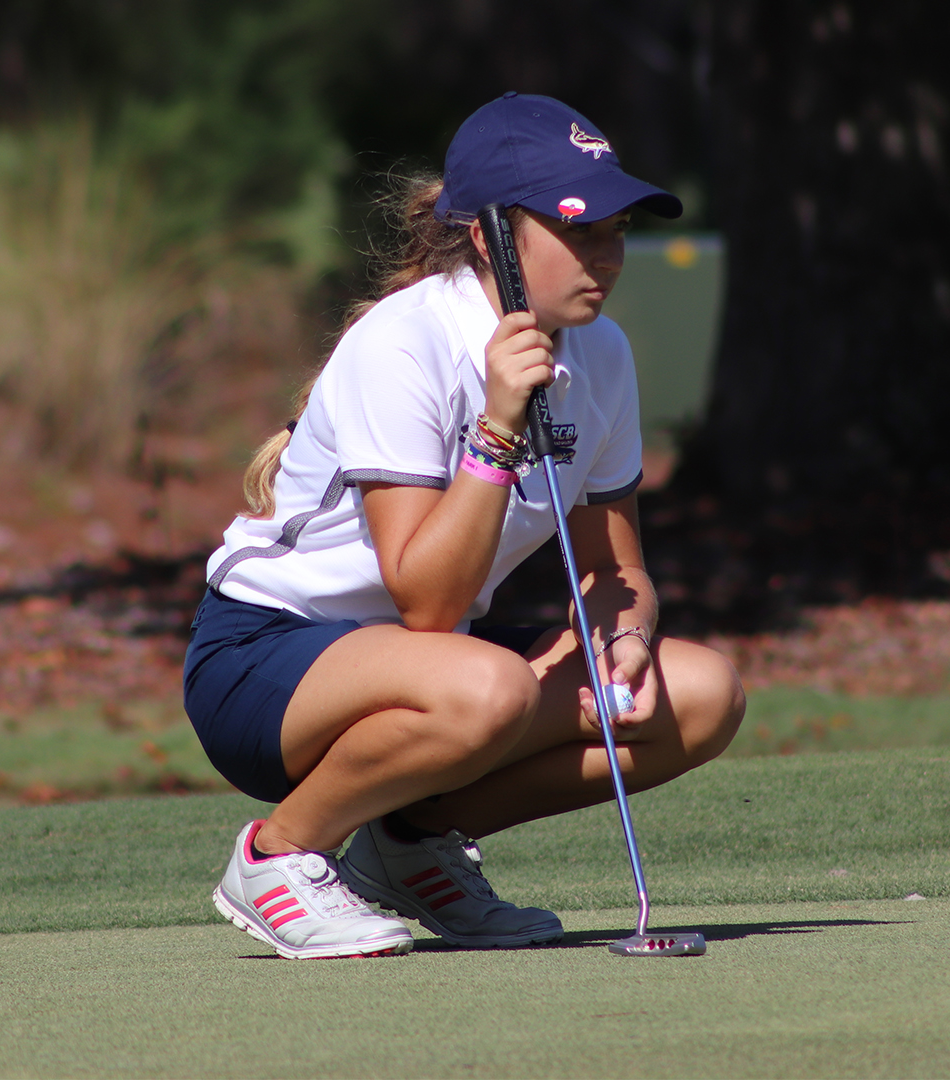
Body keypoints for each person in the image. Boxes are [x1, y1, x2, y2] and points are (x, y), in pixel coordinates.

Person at [185, 92, 746, 960]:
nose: (608, 255)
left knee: (699, 697)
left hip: (439, 672)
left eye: (617, 229)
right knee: (488, 687)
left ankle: (406, 847)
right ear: (489, 235)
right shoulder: (402, 342)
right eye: (579, 230)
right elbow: (431, 603)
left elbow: (612, 563)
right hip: (266, 660)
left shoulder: (604, 354)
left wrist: (625, 632)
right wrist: (496, 429)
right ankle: (279, 854)